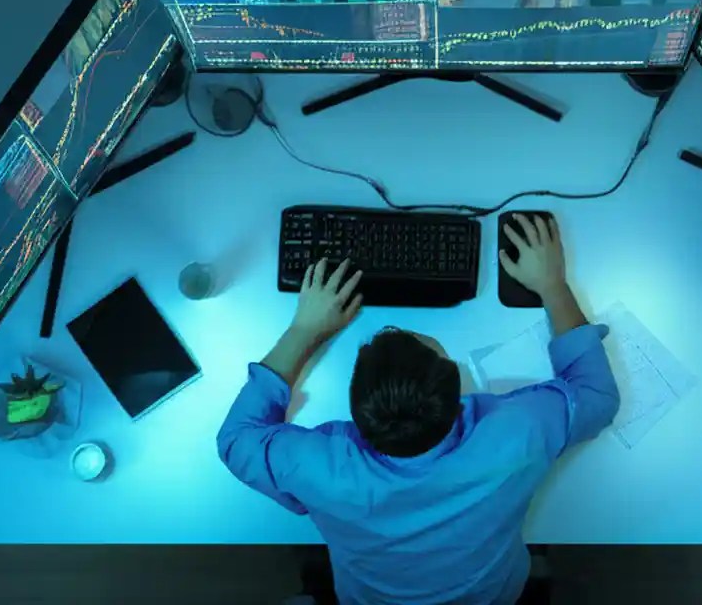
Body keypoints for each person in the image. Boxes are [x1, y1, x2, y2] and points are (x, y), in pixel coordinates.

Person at [217, 214, 619, 605]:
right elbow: (597, 395)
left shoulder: (319, 467)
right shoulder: (517, 431)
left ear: (356, 414)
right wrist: (553, 286)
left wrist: (303, 329)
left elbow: (236, 439)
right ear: (459, 399)